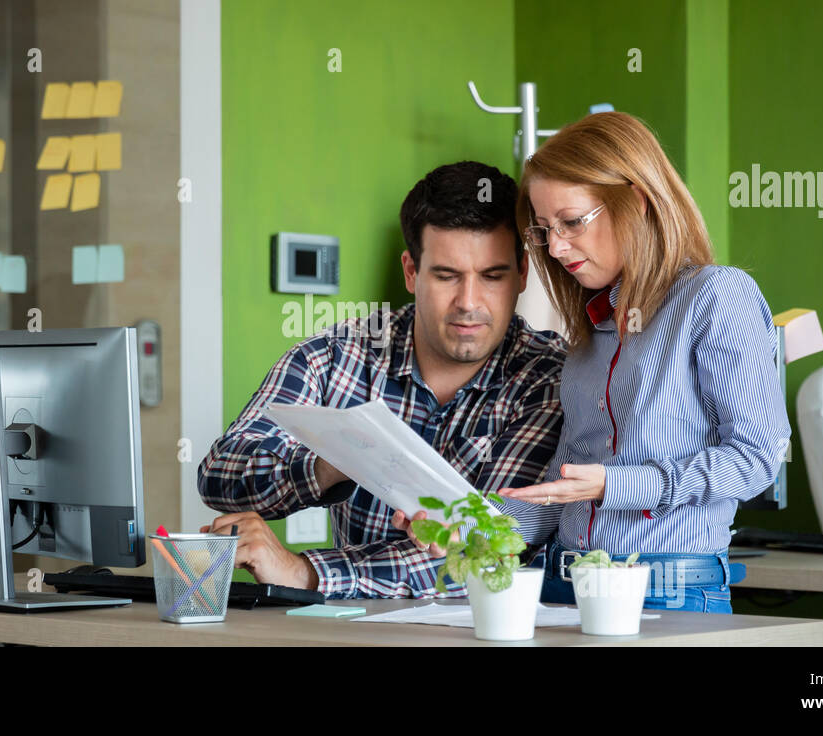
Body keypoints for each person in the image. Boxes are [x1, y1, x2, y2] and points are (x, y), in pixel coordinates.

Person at [197, 161, 567, 598]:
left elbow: (489, 545)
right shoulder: (337, 354)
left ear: (522, 274)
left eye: (492, 276)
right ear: (411, 272)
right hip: (352, 632)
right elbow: (219, 475)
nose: (469, 302)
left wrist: (305, 572)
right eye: (446, 276)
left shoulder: (549, 378)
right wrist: (336, 458)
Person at [496, 112, 791, 613]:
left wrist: (616, 484)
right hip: (562, 585)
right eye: (545, 229)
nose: (558, 247)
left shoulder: (716, 297)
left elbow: (758, 457)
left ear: (634, 200)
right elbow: (566, 484)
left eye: (572, 221)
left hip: (667, 591)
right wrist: (469, 525)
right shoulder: (592, 327)